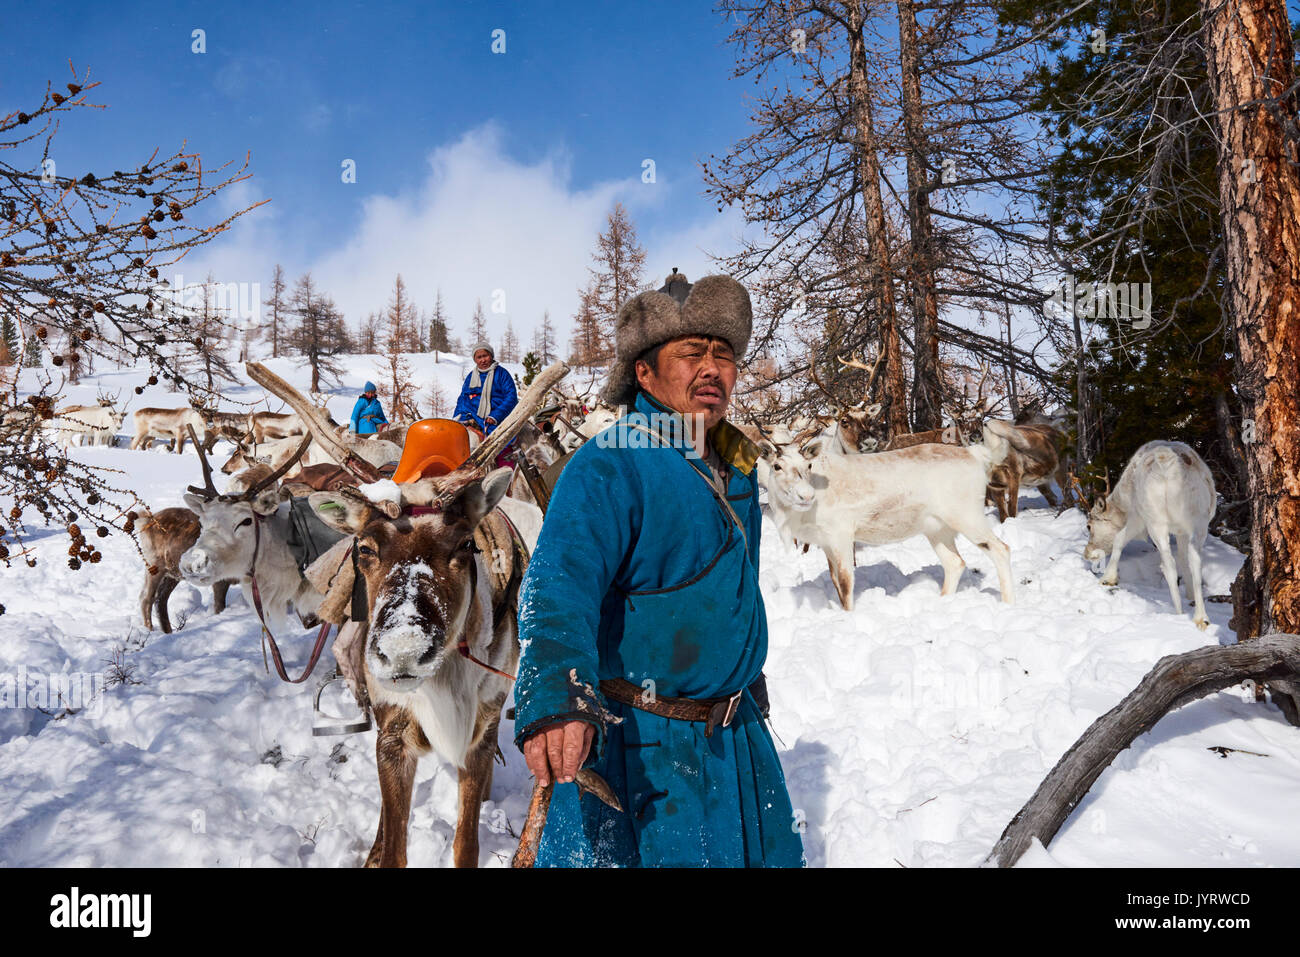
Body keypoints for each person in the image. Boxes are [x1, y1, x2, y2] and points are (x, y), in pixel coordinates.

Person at [512, 269, 805, 868]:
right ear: (644, 372)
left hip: (734, 734)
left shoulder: (735, 464)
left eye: (724, 355)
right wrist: (557, 695)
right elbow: (557, 586)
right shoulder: (610, 464)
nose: (711, 369)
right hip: (644, 746)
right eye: (691, 353)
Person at [454, 343, 517, 436]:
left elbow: (511, 397)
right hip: (471, 412)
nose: (483, 360)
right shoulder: (471, 377)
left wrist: (495, 415)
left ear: (491, 356)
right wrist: (457, 416)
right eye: (479, 357)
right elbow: (463, 399)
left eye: (485, 356)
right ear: (475, 360)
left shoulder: (502, 374)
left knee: (499, 436)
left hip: (493, 413)